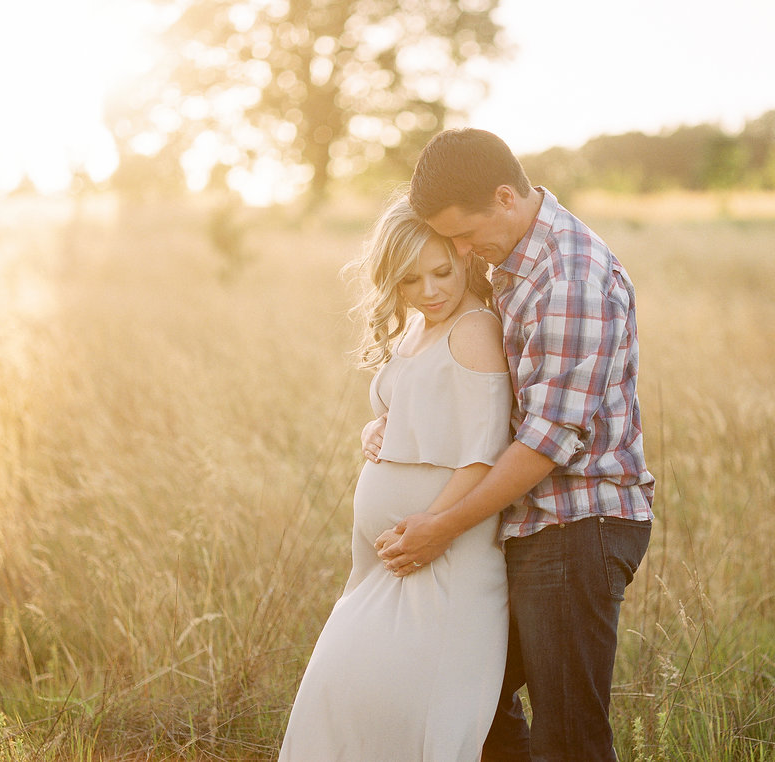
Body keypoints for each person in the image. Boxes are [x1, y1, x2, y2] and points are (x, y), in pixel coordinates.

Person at [370, 128, 655, 762]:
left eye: (465, 235)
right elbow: (485, 401)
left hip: (577, 526)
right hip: (524, 526)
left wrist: (441, 526)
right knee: (465, 698)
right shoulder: (512, 260)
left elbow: (544, 443)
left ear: (506, 196)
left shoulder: (568, 277)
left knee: (569, 739)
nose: (463, 251)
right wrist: (396, 422)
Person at [279, 194, 513, 761]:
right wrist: (375, 430)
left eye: (441, 272)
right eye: (411, 280)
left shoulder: (474, 327)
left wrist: (434, 525)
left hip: (440, 557)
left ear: (464, 259)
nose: (431, 291)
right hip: (388, 560)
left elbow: (483, 455)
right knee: (341, 695)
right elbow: (421, 407)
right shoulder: (417, 330)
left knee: (413, 715)